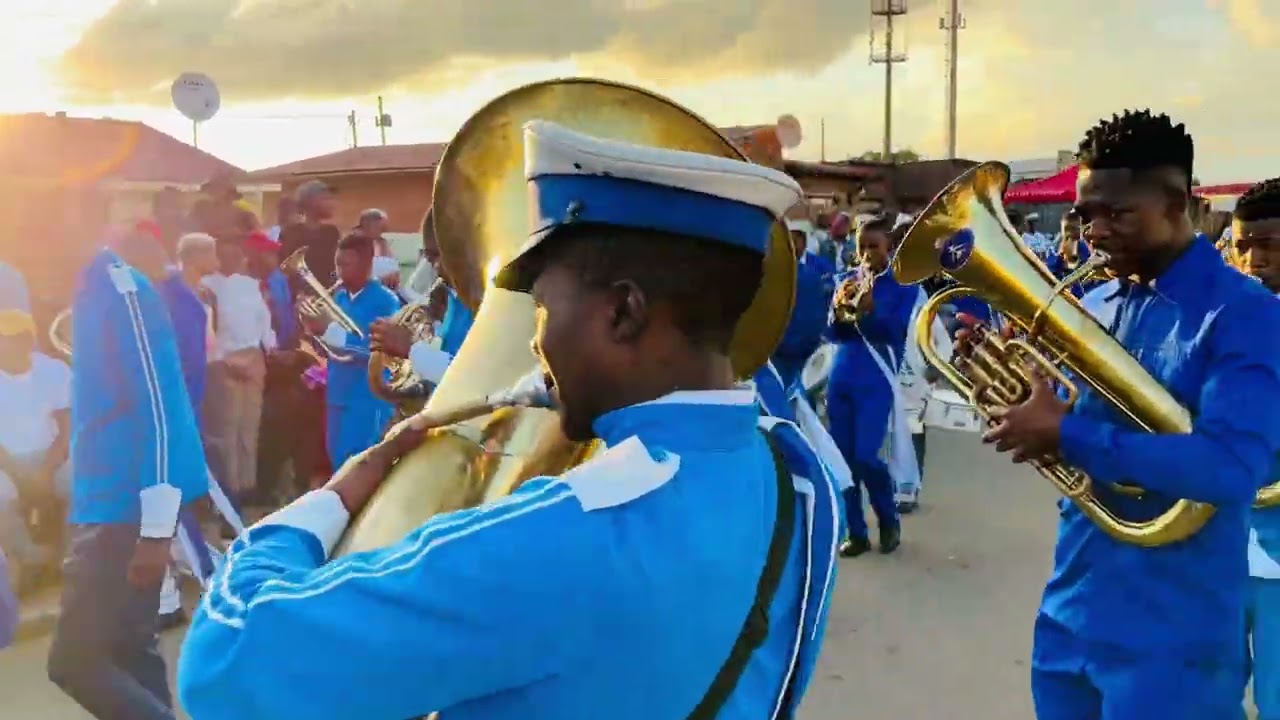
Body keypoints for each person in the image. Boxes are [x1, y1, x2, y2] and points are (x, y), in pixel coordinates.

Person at [177, 120, 841, 720]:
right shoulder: (795, 474)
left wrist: (332, 498)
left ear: (623, 314)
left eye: (545, 311)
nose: (534, 342)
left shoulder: (559, 535)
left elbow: (225, 665)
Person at [963, 110, 1280, 720]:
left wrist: (1068, 432)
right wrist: (1014, 391)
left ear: (1178, 203)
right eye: (1085, 215)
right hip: (1069, 613)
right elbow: (1069, 431)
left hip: (1175, 641)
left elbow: (1233, 467)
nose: (1095, 232)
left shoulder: (1248, 313)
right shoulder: (1094, 299)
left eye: (1117, 213)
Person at [47, 223, 209, 720]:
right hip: (102, 503)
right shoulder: (87, 289)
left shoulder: (124, 288)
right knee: (129, 653)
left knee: (74, 663)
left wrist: (157, 532)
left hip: (122, 510)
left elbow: (160, 411)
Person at [826, 214, 915, 557]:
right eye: (861, 246)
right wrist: (837, 311)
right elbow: (832, 333)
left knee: (866, 456)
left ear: (889, 247)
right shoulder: (848, 279)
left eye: (873, 247)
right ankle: (856, 533)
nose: (865, 254)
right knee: (843, 460)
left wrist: (870, 309)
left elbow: (895, 332)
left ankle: (888, 519)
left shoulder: (902, 285)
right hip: (842, 373)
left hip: (875, 377)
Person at [1231, 177, 1280, 720]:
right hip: (1217, 540)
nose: (1252, 259)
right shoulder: (1227, 320)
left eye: (1268, 244)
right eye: (1243, 245)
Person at [303, 233, 401, 469]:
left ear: (367, 265)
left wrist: (328, 331)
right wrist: (315, 331)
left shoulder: (385, 301)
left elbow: (376, 350)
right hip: (338, 393)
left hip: (366, 398)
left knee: (359, 466)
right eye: (337, 264)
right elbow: (330, 349)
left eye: (346, 265)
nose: (339, 271)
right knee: (337, 462)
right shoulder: (338, 297)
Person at [0, 263, 70, 586]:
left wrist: (44, 470)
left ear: (30, 338)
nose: (10, 344)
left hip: (51, 455)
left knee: (80, 481)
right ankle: (29, 558)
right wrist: (17, 472)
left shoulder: (53, 370)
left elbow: (68, 429)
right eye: (4, 339)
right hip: (7, 462)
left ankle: (70, 560)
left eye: (17, 338)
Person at [202, 237, 276, 504]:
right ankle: (229, 492)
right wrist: (224, 361)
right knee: (228, 429)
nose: (233, 259)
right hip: (225, 360)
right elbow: (209, 331)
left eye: (237, 253)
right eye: (225, 254)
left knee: (249, 427)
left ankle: (248, 487)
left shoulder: (251, 285)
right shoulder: (208, 287)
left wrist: (268, 348)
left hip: (254, 357)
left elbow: (263, 320)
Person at [279, 179, 342, 291]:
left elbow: (334, 269)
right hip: (297, 297)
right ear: (310, 202)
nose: (332, 203)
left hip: (325, 295)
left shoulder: (331, 232)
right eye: (326, 198)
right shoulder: (290, 234)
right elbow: (283, 269)